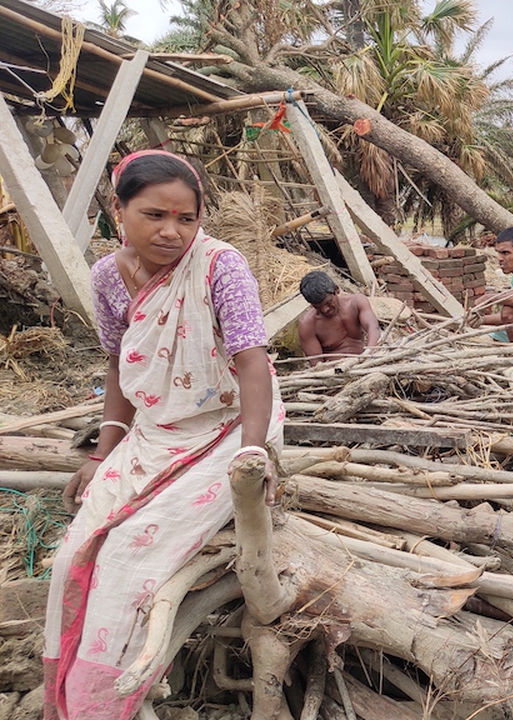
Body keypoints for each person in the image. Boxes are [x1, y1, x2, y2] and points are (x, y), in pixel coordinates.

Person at [44, 150, 286, 718]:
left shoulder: (221, 266)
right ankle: (64, 698)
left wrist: (253, 452)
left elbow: (252, 363)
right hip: (156, 427)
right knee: (71, 555)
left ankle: (105, 702)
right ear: (118, 209)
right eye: (154, 215)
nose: (171, 231)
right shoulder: (107, 277)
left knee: (131, 555)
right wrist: (103, 454)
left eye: (187, 218)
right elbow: (118, 365)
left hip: (230, 424)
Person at [297, 270, 381, 366]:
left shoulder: (356, 303)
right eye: (318, 307)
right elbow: (317, 364)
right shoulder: (308, 324)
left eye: (328, 302)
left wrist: (369, 355)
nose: (325, 310)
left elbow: (373, 327)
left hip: (363, 362)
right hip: (335, 371)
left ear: (337, 290)